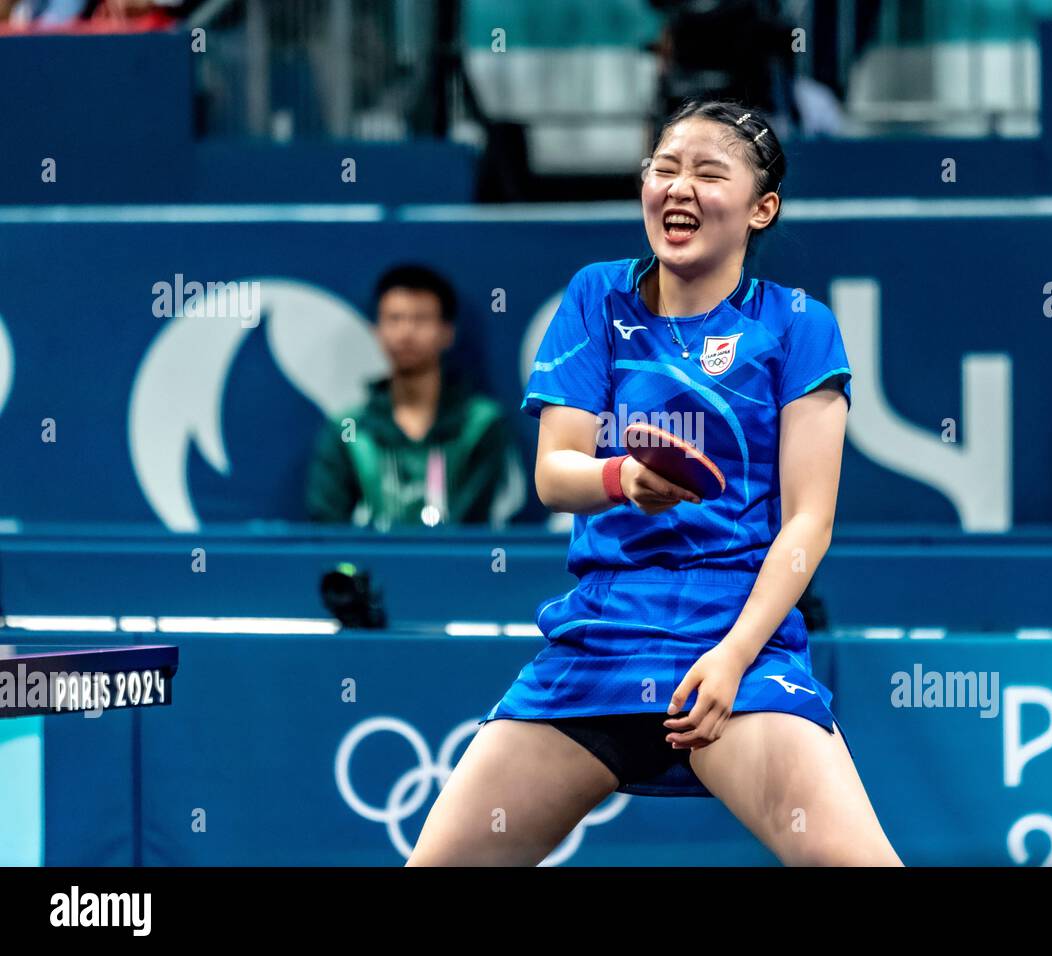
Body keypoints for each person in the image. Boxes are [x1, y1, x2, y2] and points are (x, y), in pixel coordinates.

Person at [405, 99, 902, 867]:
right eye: (664, 169)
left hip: (736, 641)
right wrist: (622, 477)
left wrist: (735, 658)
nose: (678, 188)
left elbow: (809, 524)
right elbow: (553, 473)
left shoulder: (800, 326)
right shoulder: (597, 299)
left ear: (761, 208)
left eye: (709, 173)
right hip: (599, 641)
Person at [305, 264, 524, 530]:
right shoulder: (348, 427)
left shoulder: (483, 423)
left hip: (456, 569)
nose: (406, 333)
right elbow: (328, 527)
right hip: (369, 569)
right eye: (394, 319)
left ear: (447, 333)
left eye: (420, 319)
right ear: (377, 330)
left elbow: (473, 526)